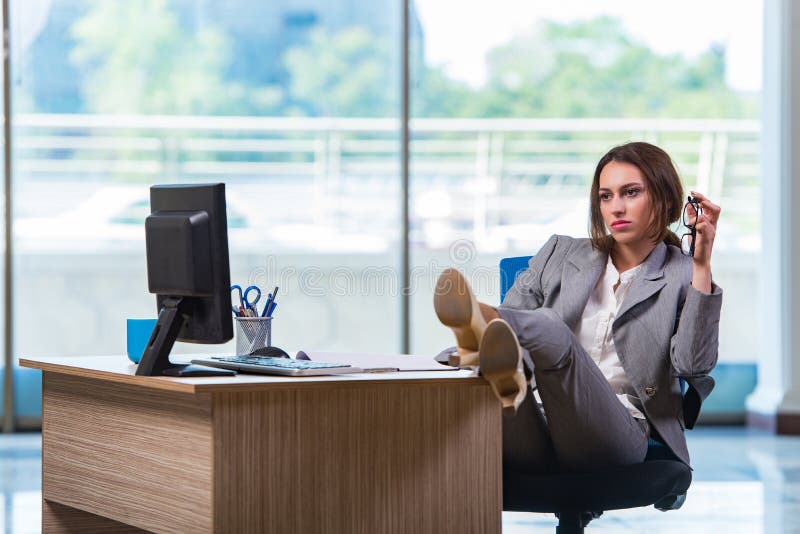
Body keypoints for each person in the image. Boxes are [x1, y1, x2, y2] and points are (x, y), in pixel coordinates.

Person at [433, 141, 722, 473]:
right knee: (506, 353)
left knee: (551, 330)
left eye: (630, 193)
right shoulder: (560, 253)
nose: (616, 208)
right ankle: (481, 332)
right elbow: (505, 340)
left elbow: (694, 363)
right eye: (606, 196)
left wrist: (702, 264)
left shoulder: (684, 274)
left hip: (620, 430)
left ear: (665, 199)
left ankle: (483, 318)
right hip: (534, 424)